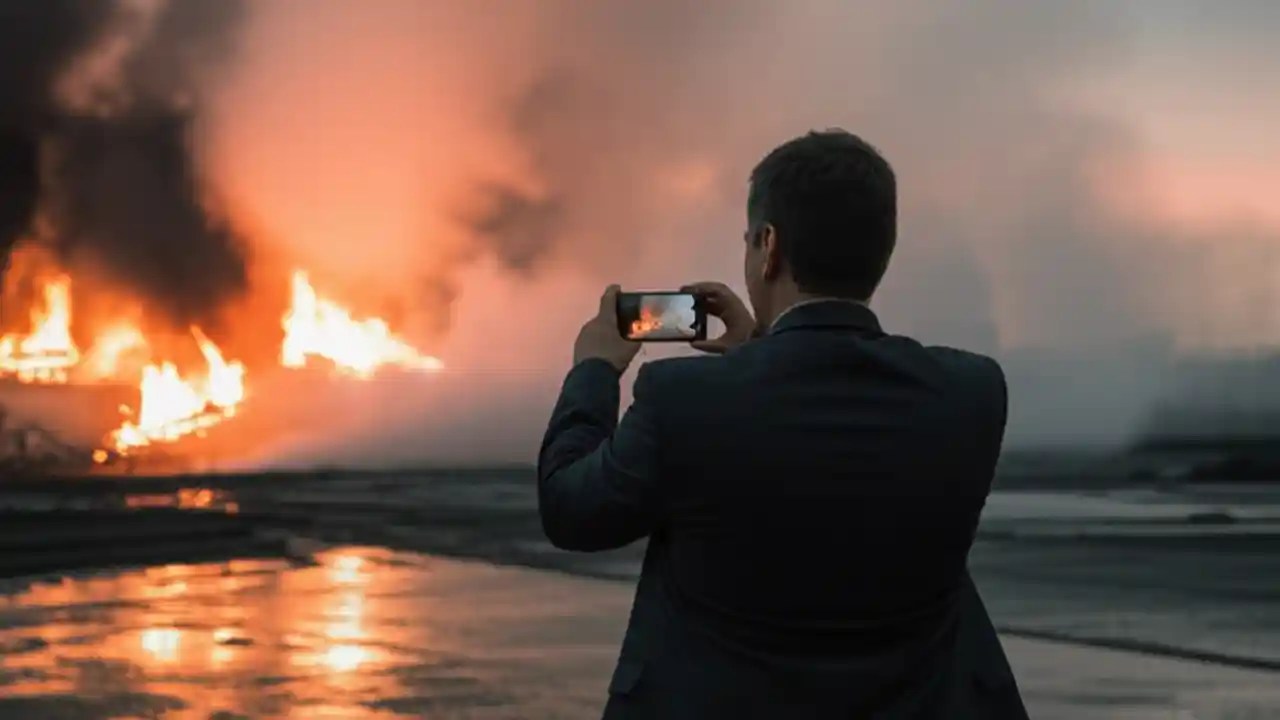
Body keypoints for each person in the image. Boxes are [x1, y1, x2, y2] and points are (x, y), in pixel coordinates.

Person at [538, 129, 1027, 719]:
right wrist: (760, 349)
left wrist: (594, 371)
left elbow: (571, 510)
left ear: (768, 246)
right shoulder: (971, 394)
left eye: (750, 243)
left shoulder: (682, 399)